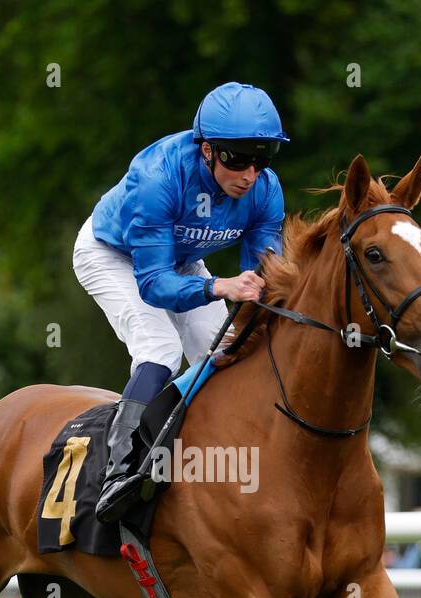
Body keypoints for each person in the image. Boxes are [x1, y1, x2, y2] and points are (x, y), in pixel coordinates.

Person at [73, 81, 288, 523]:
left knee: (229, 352)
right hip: (114, 255)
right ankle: (118, 470)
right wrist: (217, 288)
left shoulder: (266, 191)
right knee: (161, 349)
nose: (249, 174)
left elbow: (264, 280)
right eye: (237, 157)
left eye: (262, 157)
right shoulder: (158, 176)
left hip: (184, 262)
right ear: (206, 149)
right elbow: (153, 284)